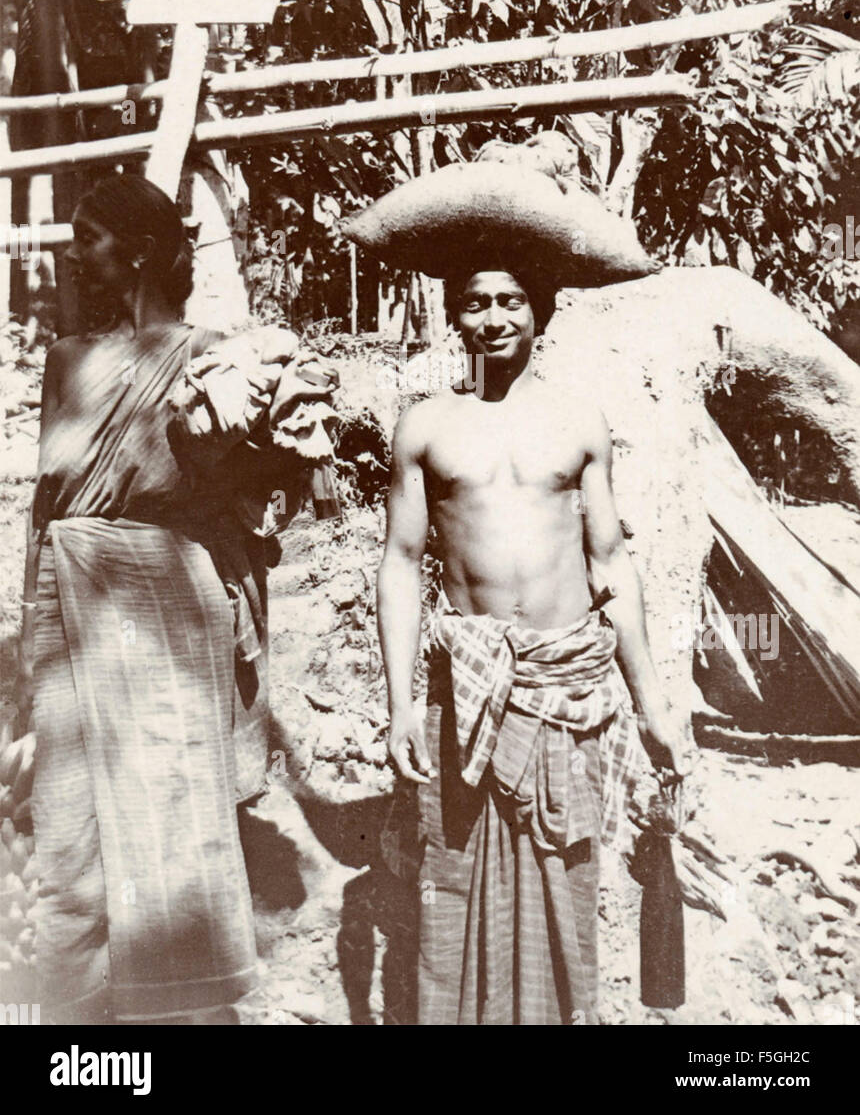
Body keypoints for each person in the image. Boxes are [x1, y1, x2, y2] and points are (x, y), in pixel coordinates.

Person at [22, 173, 335, 1024]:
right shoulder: (66, 362)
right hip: (72, 600)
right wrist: (28, 648)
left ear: (142, 251)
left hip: (165, 601)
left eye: (88, 237)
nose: (74, 254)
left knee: (171, 818)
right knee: (71, 820)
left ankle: (179, 1015)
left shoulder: (215, 363)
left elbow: (269, 497)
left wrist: (272, 433)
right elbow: (46, 514)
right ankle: (79, 1024)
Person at [377, 258, 694, 1026]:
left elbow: (611, 561)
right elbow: (400, 560)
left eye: (510, 300)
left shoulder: (579, 422)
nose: (493, 318)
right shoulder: (426, 425)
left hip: (566, 689)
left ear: (538, 310)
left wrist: (653, 704)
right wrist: (400, 708)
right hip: (471, 692)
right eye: (476, 302)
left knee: (565, 883)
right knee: (455, 882)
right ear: (456, 316)